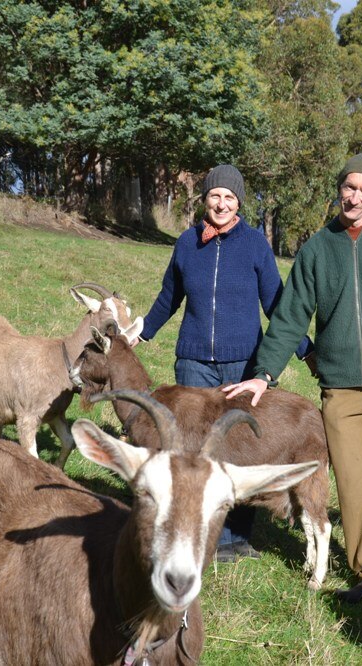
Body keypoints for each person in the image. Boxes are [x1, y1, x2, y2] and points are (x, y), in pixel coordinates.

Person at [223, 153, 362, 602]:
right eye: (349, 187)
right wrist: (264, 374)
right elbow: (288, 318)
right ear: (339, 189)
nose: (355, 196)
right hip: (340, 389)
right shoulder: (317, 249)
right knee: (355, 484)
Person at [137, 163, 312, 562]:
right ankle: (195, 529)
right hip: (194, 364)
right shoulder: (186, 244)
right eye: (215, 195)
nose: (221, 203)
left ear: (239, 204)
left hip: (243, 365)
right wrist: (143, 331)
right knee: (194, 449)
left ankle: (236, 535)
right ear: (205, 199)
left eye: (229, 197)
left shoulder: (254, 244)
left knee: (241, 446)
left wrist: (306, 349)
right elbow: (169, 297)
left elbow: (277, 304)